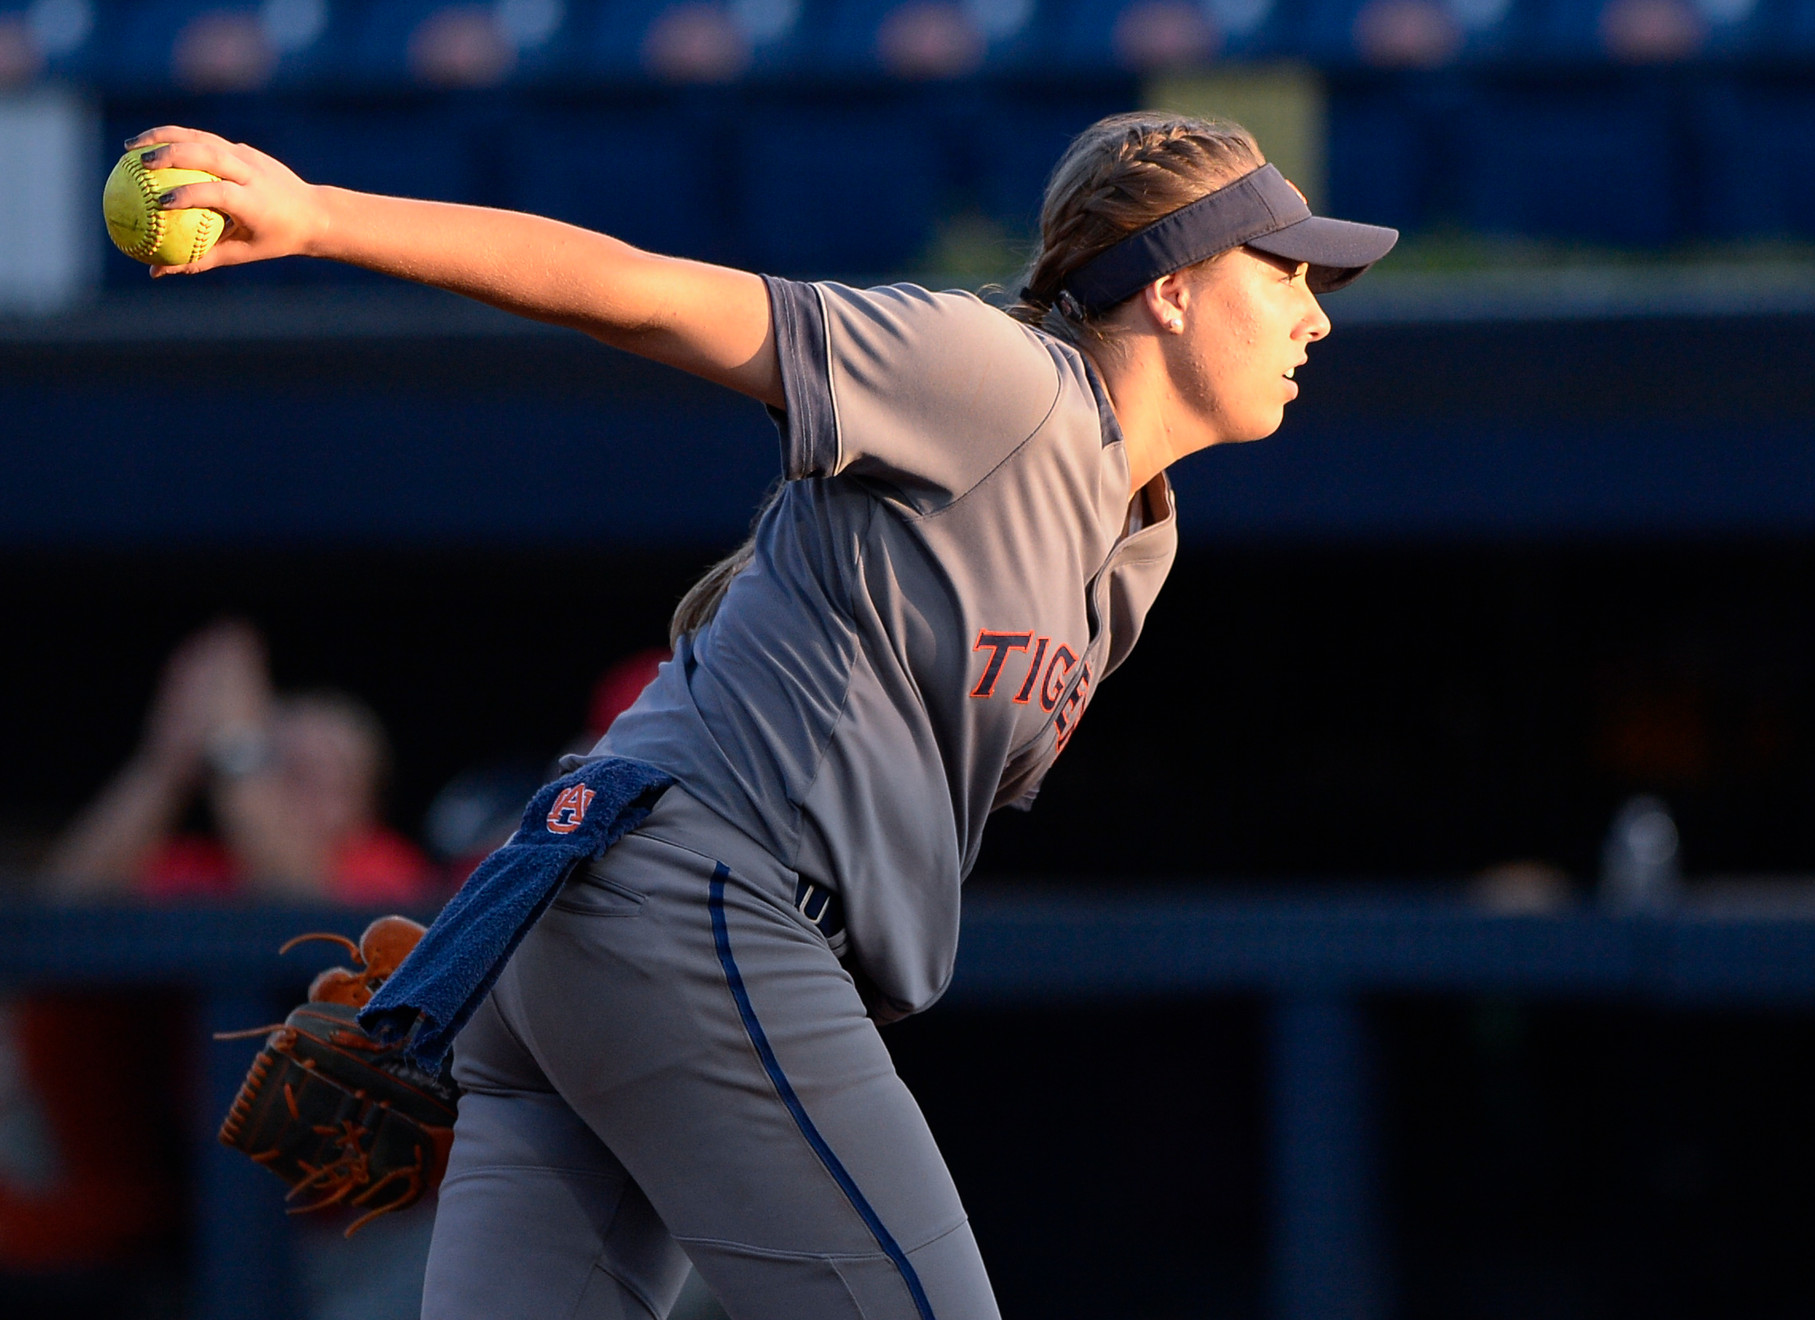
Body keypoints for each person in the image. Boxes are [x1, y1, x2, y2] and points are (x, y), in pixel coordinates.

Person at [123, 110, 1397, 1319]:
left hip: (600, 930)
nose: (1313, 317)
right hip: (694, 906)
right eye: (1285, 273)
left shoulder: (1136, 546)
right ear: (1171, 286)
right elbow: (644, 290)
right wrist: (321, 213)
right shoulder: (1002, 379)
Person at [42, 619, 431, 906]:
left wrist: (236, 746)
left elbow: (302, 906)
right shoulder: (205, 865)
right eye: (284, 769)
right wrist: (165, 767)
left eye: (321, 776)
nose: (293, 791)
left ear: (367, 805)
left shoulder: (385, 866)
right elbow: (61, 909)